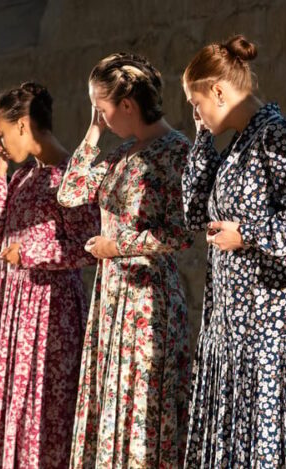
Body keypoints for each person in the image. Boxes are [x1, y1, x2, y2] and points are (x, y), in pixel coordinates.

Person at [181, 35, 286, 468]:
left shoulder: (280, 136)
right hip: (230, 328)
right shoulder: (235, 144)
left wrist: (248, 234)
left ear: (218, 91)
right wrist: (201, 140)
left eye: (197, 104)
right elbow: (194, 213)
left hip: (271, 331)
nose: (196, 114)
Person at [58, 53, 193, 468]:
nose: (98, 115)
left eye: (101, 108)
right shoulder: (120, 153)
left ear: (128, 105)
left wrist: (119, 246)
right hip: (112, 298)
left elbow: (183, 233)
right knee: (112, 398)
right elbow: (69, 192)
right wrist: (95, 129)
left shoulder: (176, 152)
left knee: (142, 402)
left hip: (148, 299)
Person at [0, 82, 99, 469]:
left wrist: (31, 253)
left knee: (39, 407)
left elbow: (87, 245)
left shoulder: (70, 177)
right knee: (10, 403)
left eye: (1, 133)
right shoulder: (23, 176)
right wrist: (1, 173)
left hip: (48, 311)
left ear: (22, 124)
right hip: (12, 307)